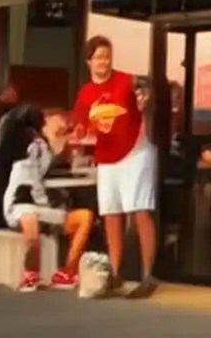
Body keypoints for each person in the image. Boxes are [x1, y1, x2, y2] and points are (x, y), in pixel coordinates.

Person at [71, 35, 158, 298]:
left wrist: (143, 97)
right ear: (88, 61)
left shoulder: (124, 81)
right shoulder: (86, 92)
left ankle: (148, 274)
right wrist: (76, 131)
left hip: (135, 153)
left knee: (139, 211)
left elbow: (144, 87)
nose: (104, 62)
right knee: (110, 214)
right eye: (98, 57)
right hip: (106, 158)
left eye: (107, 56)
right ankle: (116, 274)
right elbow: (81, 123)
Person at [0, 105, 95, 292]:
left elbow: (61, 154)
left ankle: (67, 271)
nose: (64, 123)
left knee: (85, 217)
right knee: (30, 222)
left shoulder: (52, 150)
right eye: (59, 118)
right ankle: (30, 274)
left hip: (45, 205)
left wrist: (71, 140)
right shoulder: (27, 141)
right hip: (22, 202)